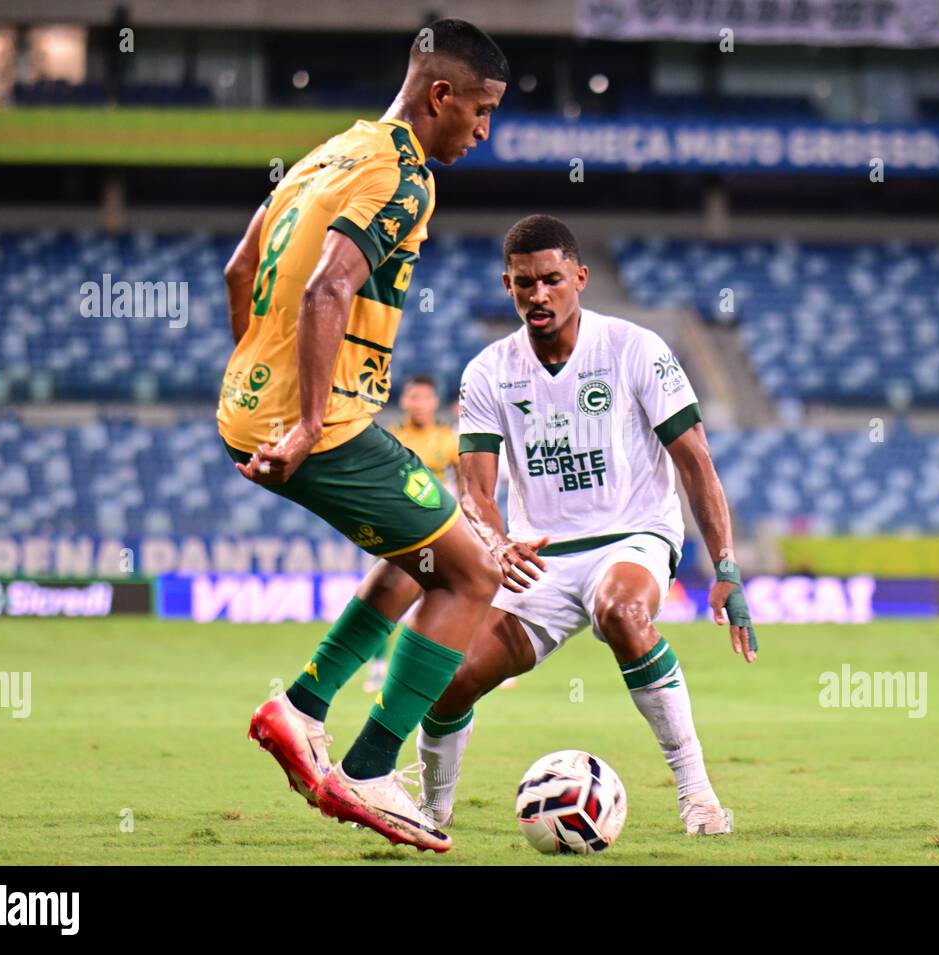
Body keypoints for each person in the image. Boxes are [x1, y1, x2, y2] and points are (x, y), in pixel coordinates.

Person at [217, 18, 509, 853]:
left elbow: (241, 268)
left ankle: (300, 708)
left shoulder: (327, 152)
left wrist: (259, 388)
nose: (483, 132)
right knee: (472, 573)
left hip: (249, 409)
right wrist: (305, 423)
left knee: (419, 553)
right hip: (325, 422)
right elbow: (325, 290)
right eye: (480, 111)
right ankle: (373, 766)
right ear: (440, 95)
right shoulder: (403, 176)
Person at [417, 214, 759, 835]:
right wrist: (497, 543)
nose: (538, 295)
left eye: (551, 280)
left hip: (632, 534)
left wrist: (727, 565)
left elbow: (696, 463)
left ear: (580, 277)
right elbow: (475, 488)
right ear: (507, 285)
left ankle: (699, 796)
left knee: (622, 613)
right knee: (448, 680)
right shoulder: (488, 371)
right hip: (538, 553)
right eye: (524, 284)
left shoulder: (637, 349)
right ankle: (429, 812)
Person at [363, 375, 461, 692]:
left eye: (425, 397)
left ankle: (454, 664)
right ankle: (378, 667)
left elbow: (465, 485)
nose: (419, 404)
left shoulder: (448, 440)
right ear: (404, 402)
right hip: (398, 529)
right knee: (384, 597)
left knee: (449, 598)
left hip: (438, 533)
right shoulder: (392, 439)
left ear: (434, 402)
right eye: (413, 398)